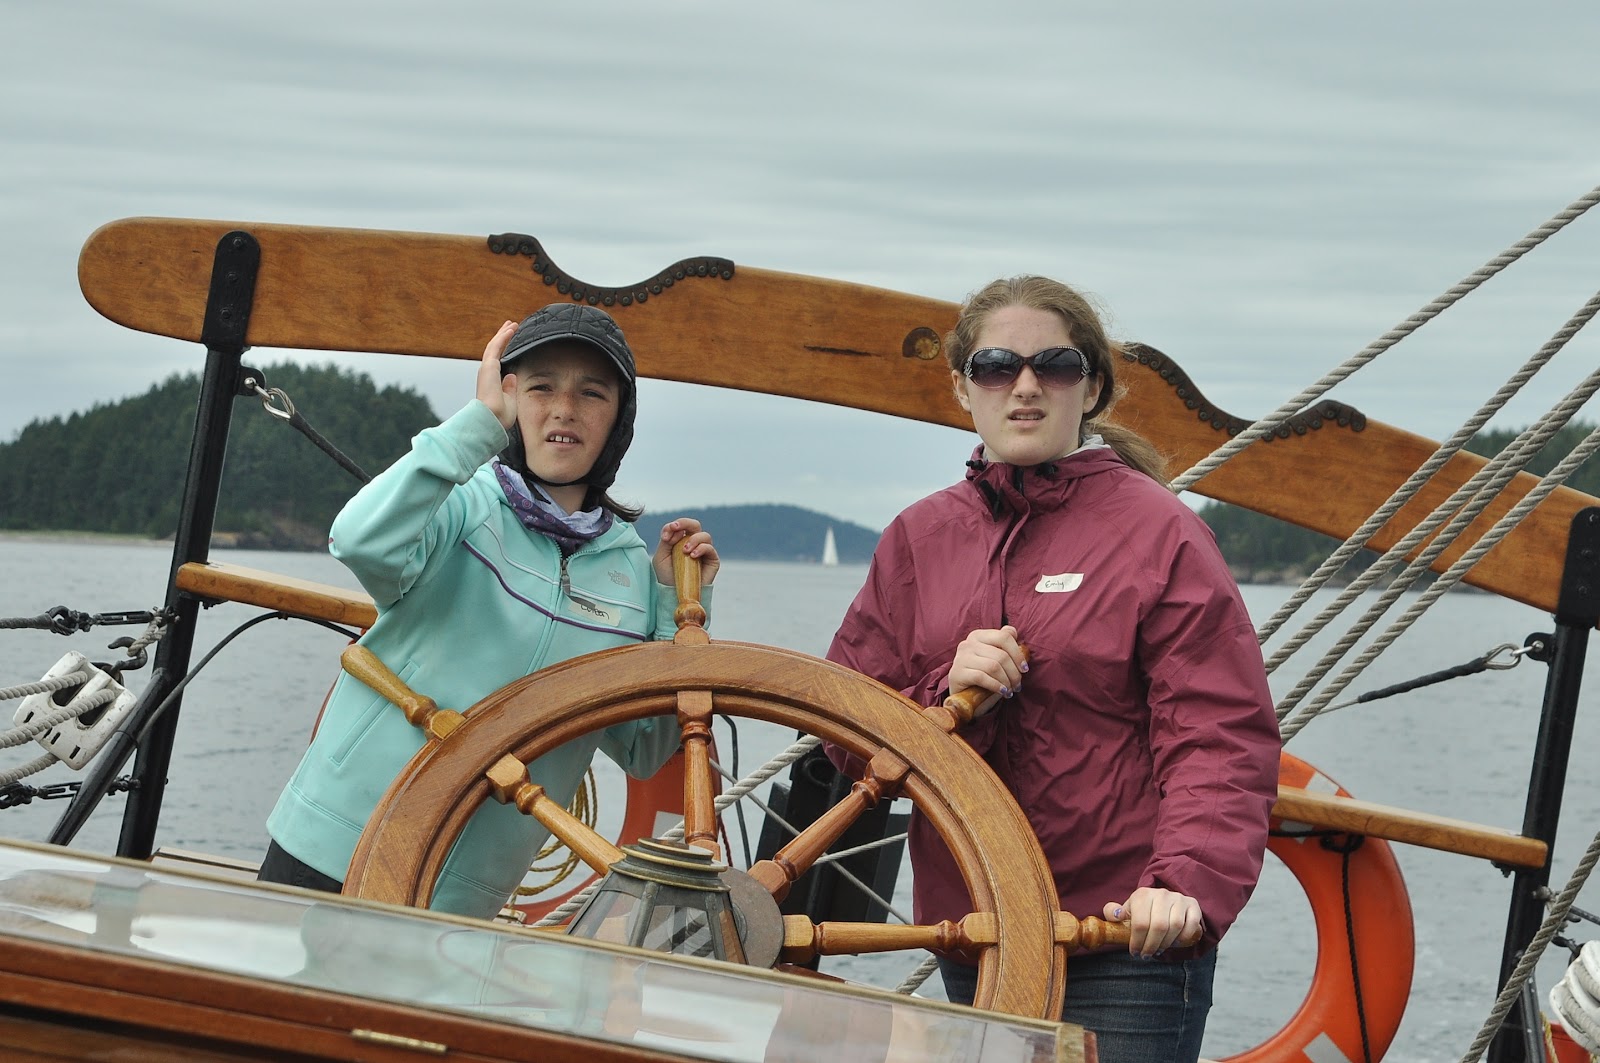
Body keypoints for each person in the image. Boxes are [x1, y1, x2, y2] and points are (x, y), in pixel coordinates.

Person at [825, 276, 1279, 1063]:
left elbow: (1217, 733)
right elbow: (846, 734)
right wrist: (942, 686)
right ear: (963, 385)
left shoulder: (1158, 534)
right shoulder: (916, 539)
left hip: (1123, 938)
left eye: (1056, 365)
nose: (1026, 386)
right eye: (998, 365)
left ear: (1092, 386)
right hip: (979, 934)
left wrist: (1184, 883)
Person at [259, 303, 718, 919]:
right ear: (509, 398)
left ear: (620, 419)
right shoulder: (460, 505)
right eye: (540, 387)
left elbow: (646, 746)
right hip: (331, 843)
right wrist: (478, 425)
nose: (564, 408)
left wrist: (675, 605)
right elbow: (359, 541)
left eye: (592, 393)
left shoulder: (633, 570)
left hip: (464, 897)